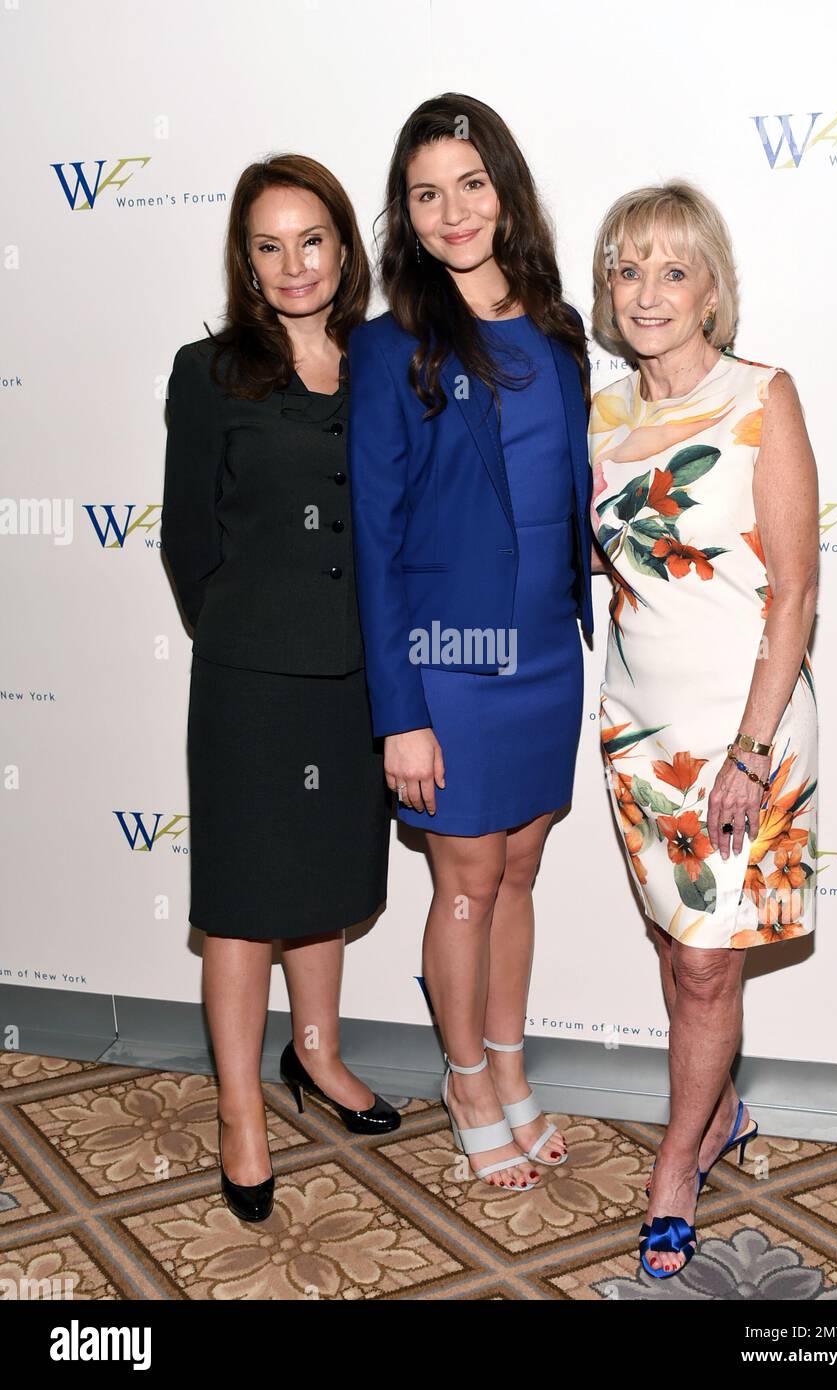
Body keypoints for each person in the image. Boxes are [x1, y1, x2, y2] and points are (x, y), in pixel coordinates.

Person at [348, 93, 595, 1191]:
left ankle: (506, 1062)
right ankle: (461, 1078)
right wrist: (397, 708)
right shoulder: (389, 347)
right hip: (447, 659)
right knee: (464, 880)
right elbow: (371, 532)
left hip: (543, 650)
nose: (452, 211)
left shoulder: (558, 330)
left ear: (504, 189)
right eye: (424, 193)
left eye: (470, 184)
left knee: (520, 868)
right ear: (404, 214)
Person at [161, 155, 399, 1225]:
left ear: (344, 250)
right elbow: (187, 543)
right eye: (269, 245)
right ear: (246, 263)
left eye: (312, 240)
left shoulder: (382, 360)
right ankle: (240, 1113)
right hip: (252, 680)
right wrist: (251, 630)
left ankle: (320, 1059)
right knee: (244, 905)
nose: (293, 264)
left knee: (325, 883)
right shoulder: (207, 372)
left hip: (357, 677)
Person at [588, 180, 819, 1276]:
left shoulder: (760, 396)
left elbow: (793, 596)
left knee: (701, 968)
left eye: (670, 269)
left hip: (742, 733)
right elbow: (603, 563)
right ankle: (717, 1111)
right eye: (626, 268)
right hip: (636, 735)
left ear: (710, 289)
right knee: (680, 956)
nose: (646, 290)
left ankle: (676, 1161)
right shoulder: (600, 413)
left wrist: (748, 750)